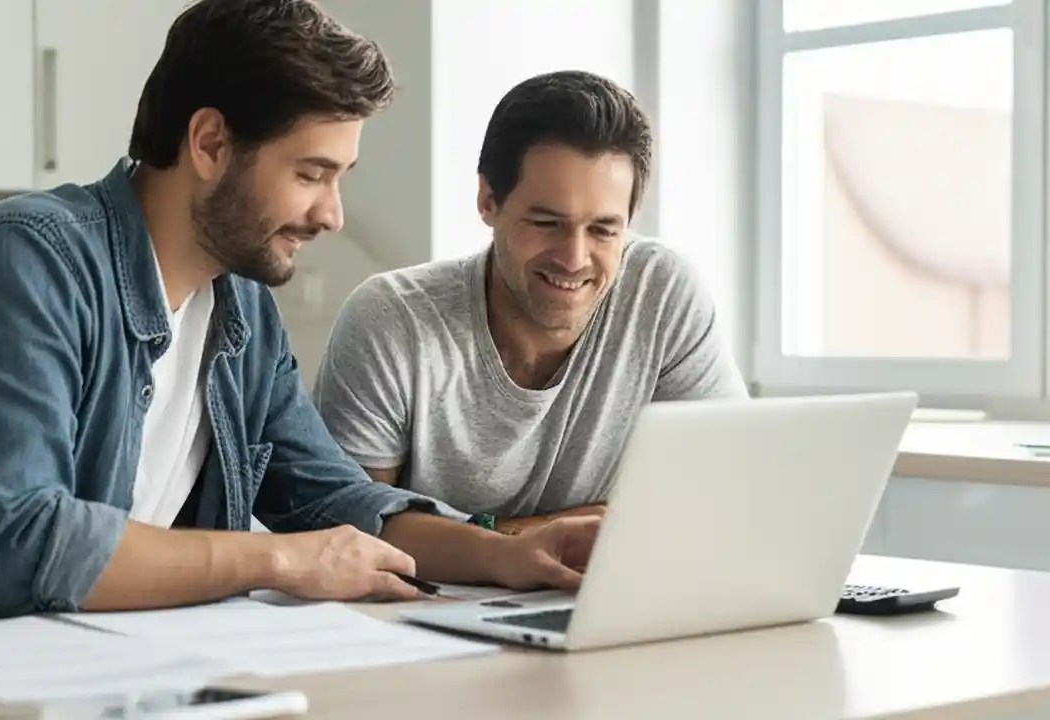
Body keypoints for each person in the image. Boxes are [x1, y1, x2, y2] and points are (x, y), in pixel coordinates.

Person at [0, 0, 598, 624]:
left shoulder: (241, 308)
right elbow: (14, 543)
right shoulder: (30, 259)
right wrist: (278, 559)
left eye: (340, 177)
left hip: (96, 677)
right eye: (311, 174)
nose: (332, 214)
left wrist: (504, 554)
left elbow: (332, 500)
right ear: (211, 144)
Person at [313, 71, 748, 536]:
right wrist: (547, 538)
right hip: (425, 586)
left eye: (603, 230)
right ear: (488, 201)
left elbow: (727, 491)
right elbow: (348, 534)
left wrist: (514, 536)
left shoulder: (662, 294)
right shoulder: (391, 321)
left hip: (615, 582)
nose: (574, 259)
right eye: (546, 223)